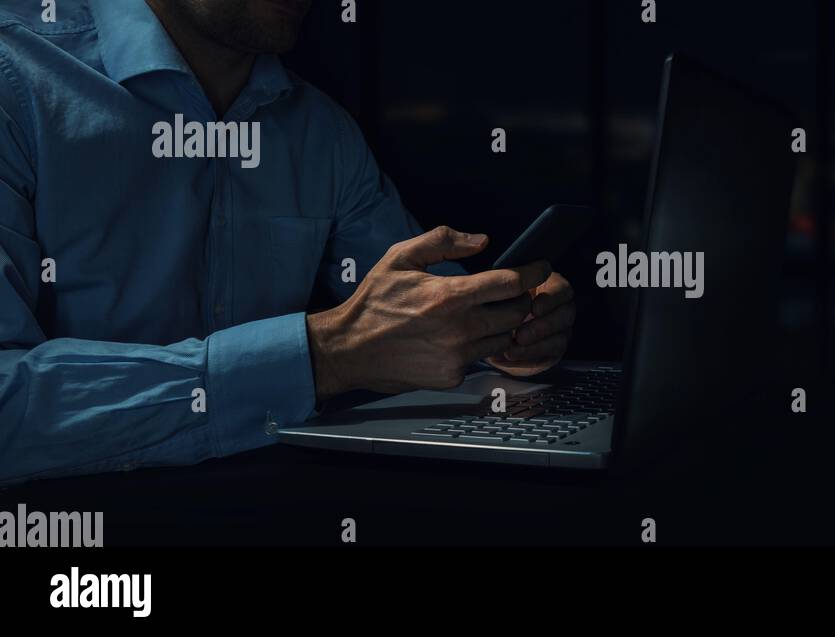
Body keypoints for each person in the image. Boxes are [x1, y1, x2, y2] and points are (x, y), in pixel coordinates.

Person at [0, 0, 576, 485]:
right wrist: (323, 356)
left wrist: (503, 324)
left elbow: (412, 316)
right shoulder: (13, 78)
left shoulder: (320, 131)